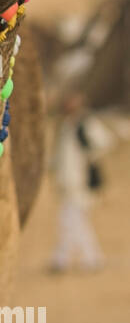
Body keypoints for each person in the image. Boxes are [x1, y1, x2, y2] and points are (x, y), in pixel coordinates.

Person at [48, 90, 112, 273]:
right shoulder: (67, 125)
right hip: (66, 181)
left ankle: (77, 258)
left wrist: (90, 155)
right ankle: (78, 258)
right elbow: (61, 156)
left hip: (80, 181)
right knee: (73, 220)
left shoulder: (86, 124)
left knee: (70, 219)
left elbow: (105, 142)